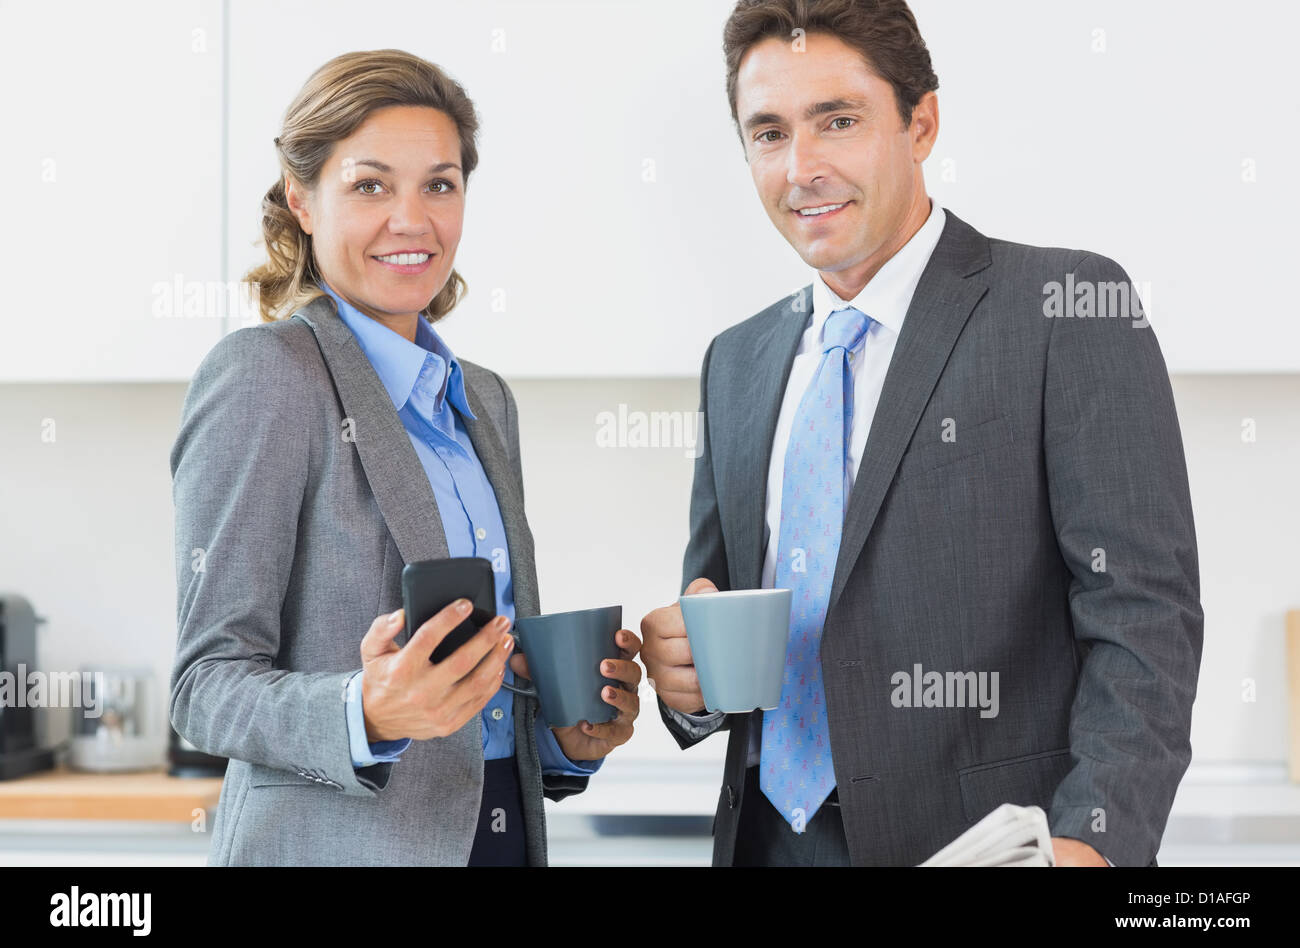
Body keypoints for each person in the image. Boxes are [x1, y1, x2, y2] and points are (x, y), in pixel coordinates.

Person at [640, 0, 1203, 867]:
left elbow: (1145, 623)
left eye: (838, 120)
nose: (802, 168)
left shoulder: (1064, 310)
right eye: (768, 133)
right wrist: (688, 686)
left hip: (992, 847)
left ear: (921, 123)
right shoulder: (737, 361)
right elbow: (717, 610)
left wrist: (1089, 846)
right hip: (767, 845)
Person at [169, 49, 641, 866]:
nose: (412, 220)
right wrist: (368, 712)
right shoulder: (270, 376)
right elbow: (204, 685)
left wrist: (568, 733)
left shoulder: (483, 400)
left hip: (501, 836)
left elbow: (486, 693)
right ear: (302, 201)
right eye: (370, 185)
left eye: (440, 183)